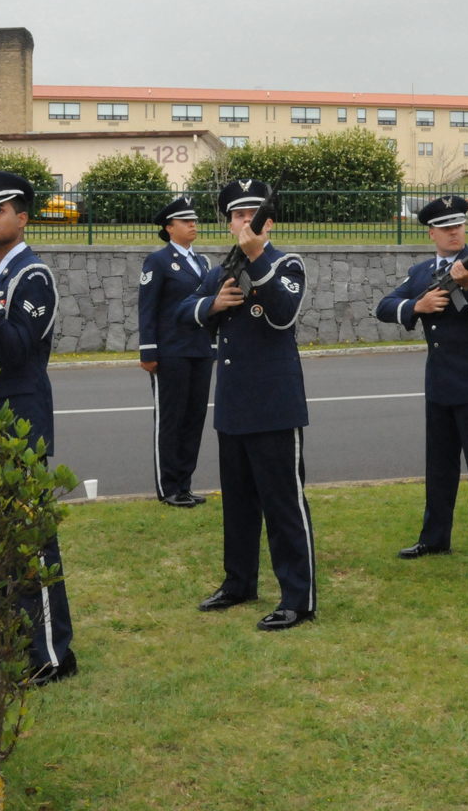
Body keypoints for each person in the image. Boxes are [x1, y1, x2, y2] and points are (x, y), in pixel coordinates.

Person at [0, 170, 76, 684]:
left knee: (30, 541)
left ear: (22, 218)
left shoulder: (32, 276)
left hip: (21, 424)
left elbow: (17, 349)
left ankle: (50, 654)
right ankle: (11, 641)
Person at [176, 179, 316, 630]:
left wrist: (257, 259)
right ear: (229, 224)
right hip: (233, 404)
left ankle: (298, 598)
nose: (244, 222)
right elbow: (181, 311)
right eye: (237, 216)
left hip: (274, 405)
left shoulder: (285, 263)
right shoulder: (221, 269)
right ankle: (239, 583)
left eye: (253, 215)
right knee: (237, 505)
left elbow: (284, 313)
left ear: (267, 223)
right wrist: (212, 305)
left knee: (283, 504)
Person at [375, 195, 468, 577]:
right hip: (439, 380)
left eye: (459, 225)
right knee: (439, 467)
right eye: (446, 227)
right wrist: (415, 307)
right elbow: (385, 305)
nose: (454, 232)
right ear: (431, 233)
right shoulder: (422, 272)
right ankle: (435, 537)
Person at [137, 197, 214, 507]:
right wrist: (148, 351)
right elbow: (147, 308)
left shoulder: (203, 262)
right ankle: (168, 487)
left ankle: (185, 485)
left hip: (200, 350)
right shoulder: (157, 261)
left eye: (194, 220)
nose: (193, 224)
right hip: (171, 352)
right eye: (185, 221)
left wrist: (212, 345)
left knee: (194, 419)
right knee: (171, 420)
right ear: (169, 228)